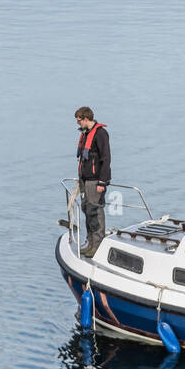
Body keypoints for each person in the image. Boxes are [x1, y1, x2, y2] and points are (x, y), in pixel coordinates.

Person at [75, 106, 111, 258]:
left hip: (96, 180)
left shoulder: (101, 134)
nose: (78, 124)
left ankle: (98, 245)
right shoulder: (86, 133)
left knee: (95, 211)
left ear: (86, 119)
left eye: (79, 121)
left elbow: (106, 158)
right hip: (85, 179)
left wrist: (102, 182)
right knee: (86, 210)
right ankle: (90, 242)